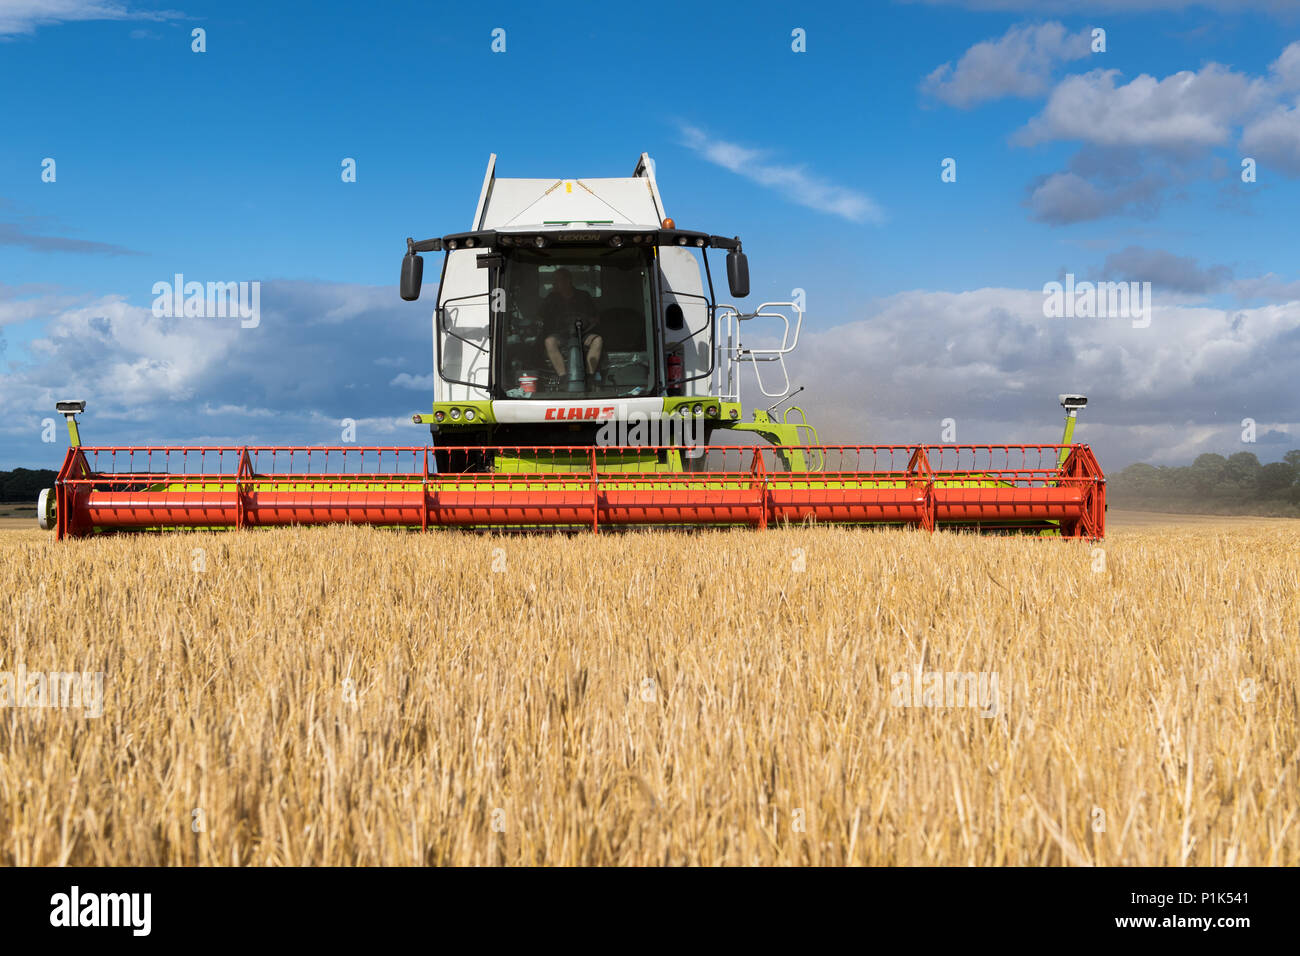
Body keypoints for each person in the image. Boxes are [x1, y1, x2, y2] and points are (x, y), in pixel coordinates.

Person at [541, 269, 602, 379]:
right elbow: (542, 318)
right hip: (560, 335)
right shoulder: (551, 298)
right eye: (554, 281)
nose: (554, 283)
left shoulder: (584, 296)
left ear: (568, 280)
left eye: (557, 280)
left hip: (583, 334)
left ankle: (589, 376)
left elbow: (595, 318)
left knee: (597, 340)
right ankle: (563, 376)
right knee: (549, 342)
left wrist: (590, 324)